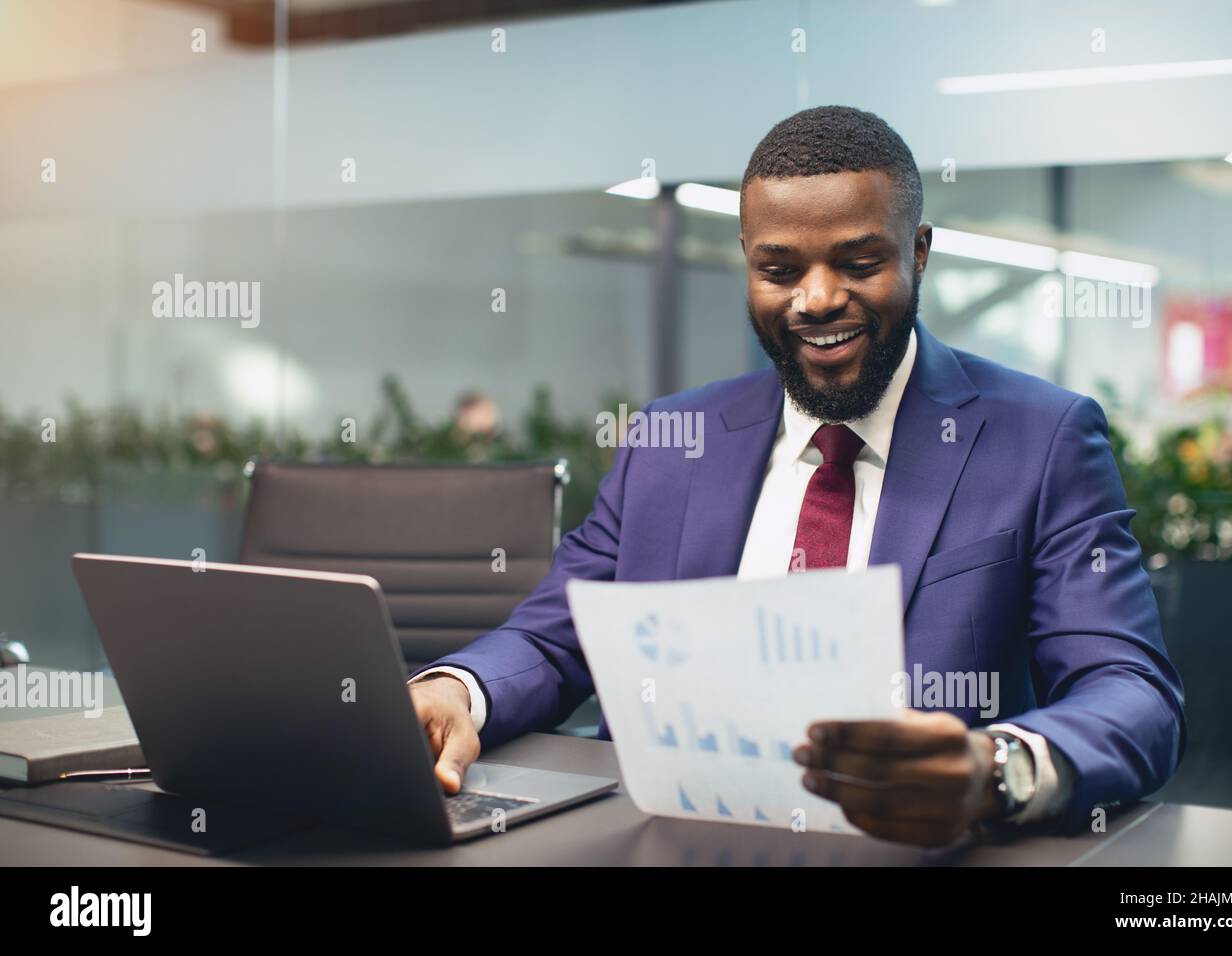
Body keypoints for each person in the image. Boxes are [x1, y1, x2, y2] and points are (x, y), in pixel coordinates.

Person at [407, 106, 1185, 847]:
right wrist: (455, 691)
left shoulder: (1040, 438)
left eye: (858, 262)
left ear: (918, 252)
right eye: (779, 269)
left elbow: (1132, 692)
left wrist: (998, 770)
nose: (816, 300)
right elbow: (552, 639)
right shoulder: (673, 440)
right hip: (669, 842)